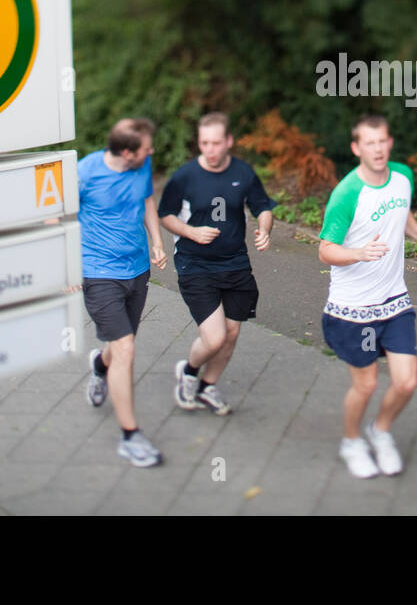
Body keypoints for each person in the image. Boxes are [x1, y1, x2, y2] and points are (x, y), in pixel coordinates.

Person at [317, 114, 417, 478]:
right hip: (352, 308)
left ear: (390, 143)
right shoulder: (346, 193)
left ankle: (380, 430)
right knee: (367, 384)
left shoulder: (403, 176)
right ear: (357, 148)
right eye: (369, 143)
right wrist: (359, 253)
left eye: (383, 141)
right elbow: (325, 250)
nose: (378, 149)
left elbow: (402, 214)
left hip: (394, 300)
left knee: (407, 382)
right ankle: (352, 441)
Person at [158, 112, 275, 416]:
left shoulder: (243, 172)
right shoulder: (185, 176)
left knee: (232, 334)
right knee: (215, 337)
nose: (209, 150)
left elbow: (263, 206)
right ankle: (189, 370)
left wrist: (265, 228)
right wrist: (190, 231)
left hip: (235, 264)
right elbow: (165, 214)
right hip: (195, 265)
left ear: (228, 142)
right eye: (204, 143)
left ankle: (207, 385)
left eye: (215, 143)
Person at [79, 117, 169, 467]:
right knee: (127, 350)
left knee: (119, 346)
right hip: (98, 273)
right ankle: (130, 436)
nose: (152, 152)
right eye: (147, 148)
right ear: (128, 151)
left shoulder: (142, 164)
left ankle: (100, 367)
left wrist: (158, 242)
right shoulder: (84, 173)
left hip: (137, 268)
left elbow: (147, 200)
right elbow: (57, 216)